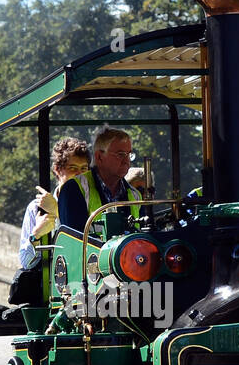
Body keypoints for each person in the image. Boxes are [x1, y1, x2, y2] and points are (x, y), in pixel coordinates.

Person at [13, 138, 90, 304]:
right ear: (57, 170)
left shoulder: (93, 203)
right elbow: (26, 263)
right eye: (73, 168)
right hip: (52, 295)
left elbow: (86, 244)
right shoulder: (36, 208)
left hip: (85, 288)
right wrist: (36, 235)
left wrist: (56, 210)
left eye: (84, 169)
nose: (80, 174)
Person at [56, 127, 142, 233]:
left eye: (129, 155)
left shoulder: (135, 195)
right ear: (99, 157)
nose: (126, 161)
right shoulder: (73, 189)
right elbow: (75, 241)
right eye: (120, 154)